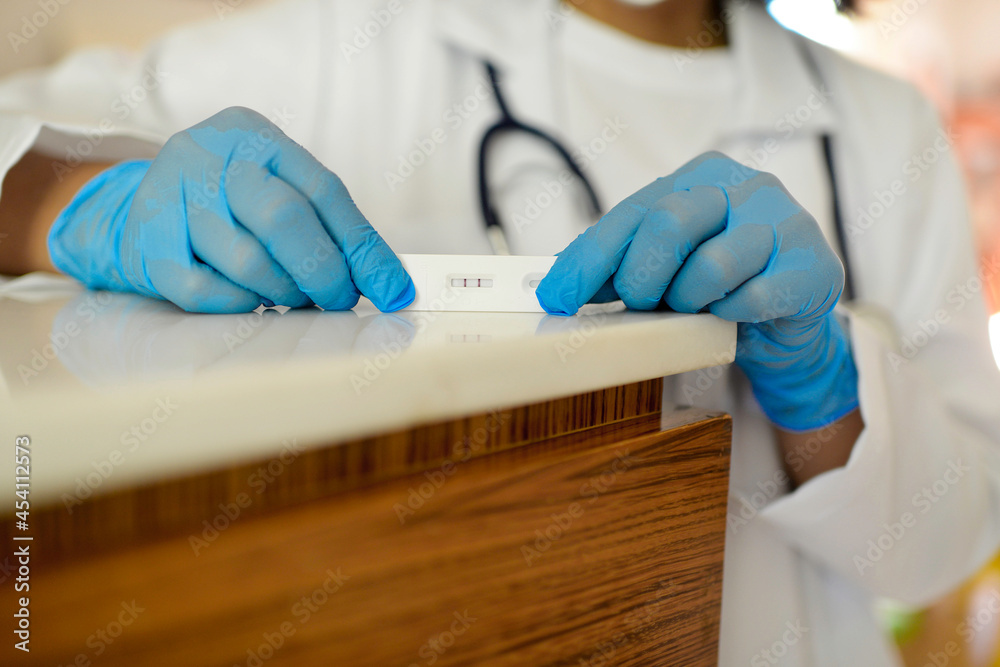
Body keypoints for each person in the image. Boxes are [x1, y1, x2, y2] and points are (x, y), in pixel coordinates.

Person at [1, 0, 999, 663]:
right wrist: (81, 198)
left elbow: (949, 537)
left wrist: (824, 391)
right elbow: (22, 134)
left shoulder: (879, 128)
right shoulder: (355, 42)